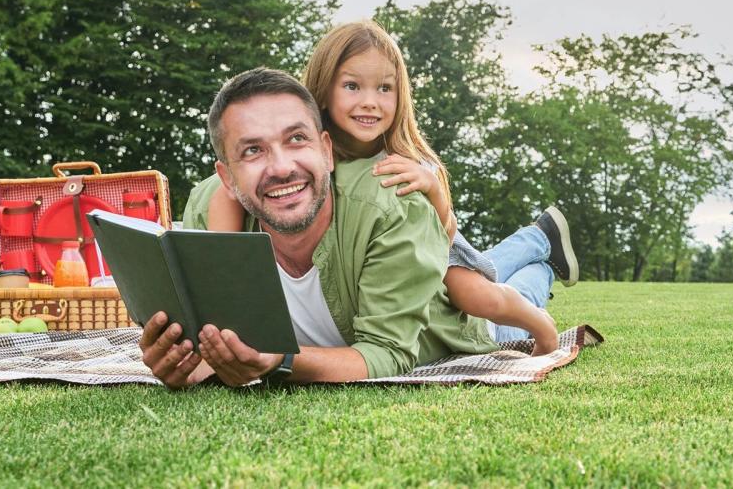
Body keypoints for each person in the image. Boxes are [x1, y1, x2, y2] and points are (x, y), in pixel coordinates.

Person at [139, 68, 573, 388]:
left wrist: (281, 359)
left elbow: (387, 353)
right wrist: (184, 365)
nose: (282, 167)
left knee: (503, 299)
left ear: (327, 150)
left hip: (460, 322)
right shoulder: (208, 212)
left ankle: (543, 257)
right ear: (228, 177)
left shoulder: (391, 203)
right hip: (420, 260)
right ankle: (538, 239)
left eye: (296, 139)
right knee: (489, 266)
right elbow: (207, 350)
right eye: (252, 150)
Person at [204, 20, 575, 354]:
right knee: (487, 274)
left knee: (476, 297)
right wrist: (226, 273)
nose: (370, 102)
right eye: (352, 86)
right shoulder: (306, 147)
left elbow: (443, 233)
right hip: (376, 245)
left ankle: (539, 308)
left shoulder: (405, 159)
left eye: (385, 88)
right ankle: (539, 240)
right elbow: (227, 193)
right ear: (323, 87)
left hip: (429, 244)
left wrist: (431, 187)